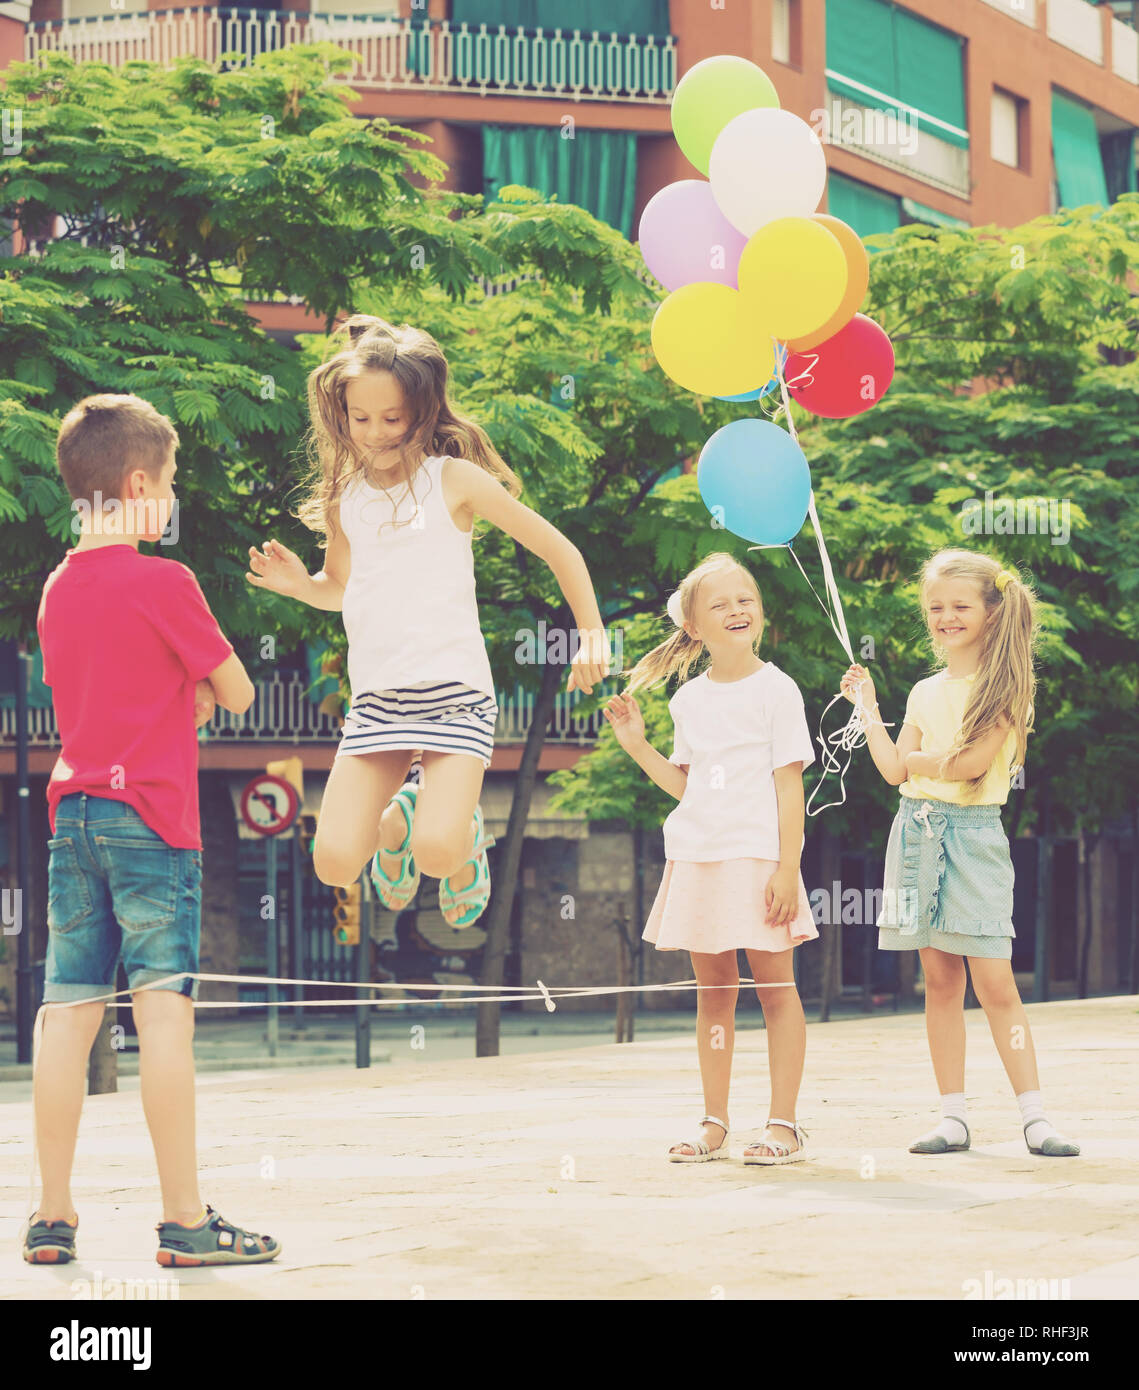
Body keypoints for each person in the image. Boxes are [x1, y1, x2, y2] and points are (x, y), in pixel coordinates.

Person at [26, 393, 282, 1266]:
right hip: (153, 823)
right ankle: (184, 1220)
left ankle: (51, 1217)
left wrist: (180, 693)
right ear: (139, 483)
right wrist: (198, 692)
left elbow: (98, 692)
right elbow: (239, 692)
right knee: (164, 1016)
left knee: (67, 1014)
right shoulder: (164, 580)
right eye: (168, 481)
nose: (172, 497)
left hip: (75, 818)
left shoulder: (59, 589)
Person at [246, 315, 610, 925]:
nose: (375, 433)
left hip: (455, 695)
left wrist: (592, 632)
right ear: (341, 414)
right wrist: (299, 586)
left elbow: (559, 550)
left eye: (392, 419)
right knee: (334, 863)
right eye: (360, 419)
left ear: (422, 411)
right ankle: (405, 815)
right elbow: (341, 588)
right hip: (378, 701)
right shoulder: (346, 497)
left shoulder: (454, 480)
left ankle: (455, 828)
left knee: (438, 856)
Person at [842, 548, 1079, 1158]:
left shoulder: (1007, 688)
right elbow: (896, 769)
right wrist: (868, 710)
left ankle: (1035, 1116)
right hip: (915, 831)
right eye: (936, 607)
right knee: (939, 981)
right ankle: (952, 1116)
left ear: (993, 613)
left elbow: (971, 767)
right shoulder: (923, 691)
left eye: (960, 606)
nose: (946, 617)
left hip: (974, 835)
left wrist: (924, 762)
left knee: (996, 981)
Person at [605, 553, 817, 1165]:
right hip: (698, 857)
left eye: (745, 598)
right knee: (714, 994)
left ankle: (783, 1125)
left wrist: (786, 867)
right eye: (720, 604)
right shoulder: (688, 701)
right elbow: (686, 787)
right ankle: (714, 1123)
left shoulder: (779, 689)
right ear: (693, 627)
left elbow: (788, 787)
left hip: (760, 859)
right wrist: (637, 744)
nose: (737, 610)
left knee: (778, 987)